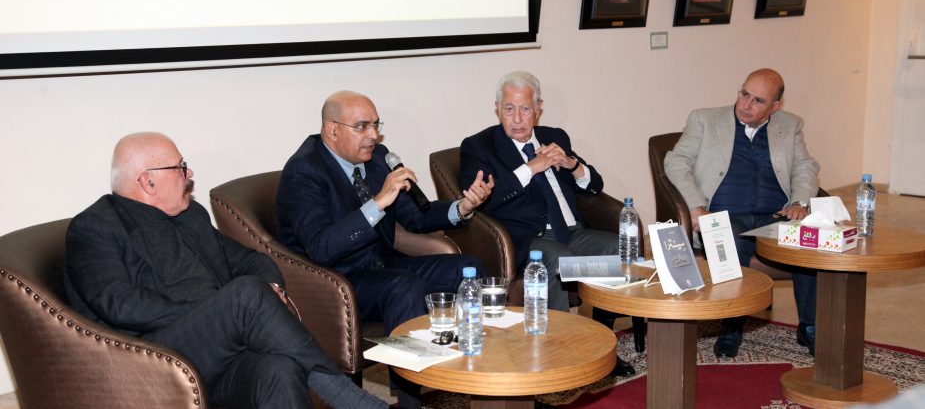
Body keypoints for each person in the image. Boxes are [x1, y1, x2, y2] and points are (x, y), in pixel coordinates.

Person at [64, 132, 387, 409]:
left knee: (281, 367)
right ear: (147, 180)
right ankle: (353, 401)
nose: (189, 173)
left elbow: (251, 260)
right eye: (179, 167)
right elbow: (120, 304)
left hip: (220, 351)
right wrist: (217, 313)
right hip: (154, 356)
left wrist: (269, 289)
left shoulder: (191, 216)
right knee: (244, 295)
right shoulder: (96, 227)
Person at [458, 70, 635, 377]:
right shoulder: (478, 146)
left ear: (538, 108)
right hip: (530, 239)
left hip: (572, 232)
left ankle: (601, 344)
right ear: (497, 108)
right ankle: (558, 354)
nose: (517, 118)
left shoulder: (557, 137)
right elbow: (485, 199)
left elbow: (594, 185)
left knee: (615, 249)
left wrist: (572, 165)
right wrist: (530, 168)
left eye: (525, 109)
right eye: (509, 109)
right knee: (557, 259)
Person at [277, 90, 493, 336]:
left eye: (375, 125)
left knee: (469, 268)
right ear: (333, 131)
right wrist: (378, 202)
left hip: (382, 265)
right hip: (336, 281)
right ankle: (411, 373)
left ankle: (481, 358)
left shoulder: (378, 157)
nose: (373, 135)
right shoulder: (304, 172)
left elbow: (416, 217)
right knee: (403, 286)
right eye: (362, 127)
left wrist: (462, 207)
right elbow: (321, 248)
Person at [665, 68, 820, 357]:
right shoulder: (705, 120)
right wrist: (696, 206)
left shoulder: (791, 124)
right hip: (722, 215)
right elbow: (676, 162)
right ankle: (731, 326)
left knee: (806, 245)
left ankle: (809, 326)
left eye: (758, 101)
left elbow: (804, 166)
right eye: (744, 94)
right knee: (731, 241)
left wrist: (800, 202)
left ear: (776, 106)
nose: (746, 105)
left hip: (774, 215)